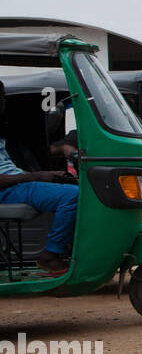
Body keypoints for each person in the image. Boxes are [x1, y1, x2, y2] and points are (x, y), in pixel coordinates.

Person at [0, 80, 78, 275]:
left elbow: (9, 169)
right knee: (72, 196)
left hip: (15, 186)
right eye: (0, 98)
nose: (3, 103)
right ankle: (50, 255)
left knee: (82, 187)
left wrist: (44, 177)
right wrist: (38, 176)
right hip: (7, 191)